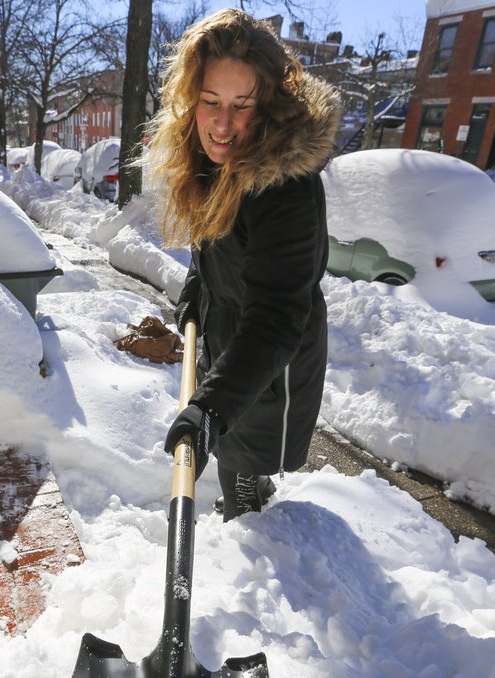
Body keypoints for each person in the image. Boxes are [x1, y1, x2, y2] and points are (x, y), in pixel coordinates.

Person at [146, 8, 340, 521]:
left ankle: (254, 518)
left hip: (267, 354)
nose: (224, 123)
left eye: (242, 105)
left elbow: (276, 316)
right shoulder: (216, 158)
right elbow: (217, 241)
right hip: (229, 330)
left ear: (269, 105)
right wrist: (196, 284)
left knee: (241, 456)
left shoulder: (285, 188)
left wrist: (209, 409)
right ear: (191, 99)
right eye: (210, 102)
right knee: (230, 446)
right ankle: (242, 492)